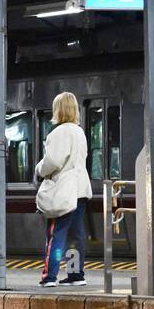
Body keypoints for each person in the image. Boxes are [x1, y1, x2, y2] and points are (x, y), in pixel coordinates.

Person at [35, 91, 92, 287]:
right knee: (75, 236)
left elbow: (52, 162)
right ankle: (76, 275)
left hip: (63, 192)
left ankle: (49, 276)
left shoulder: (58, 133)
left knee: (56, 234)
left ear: (58, 110)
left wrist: (39, 169)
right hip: (80, 191)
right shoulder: (79, 132)